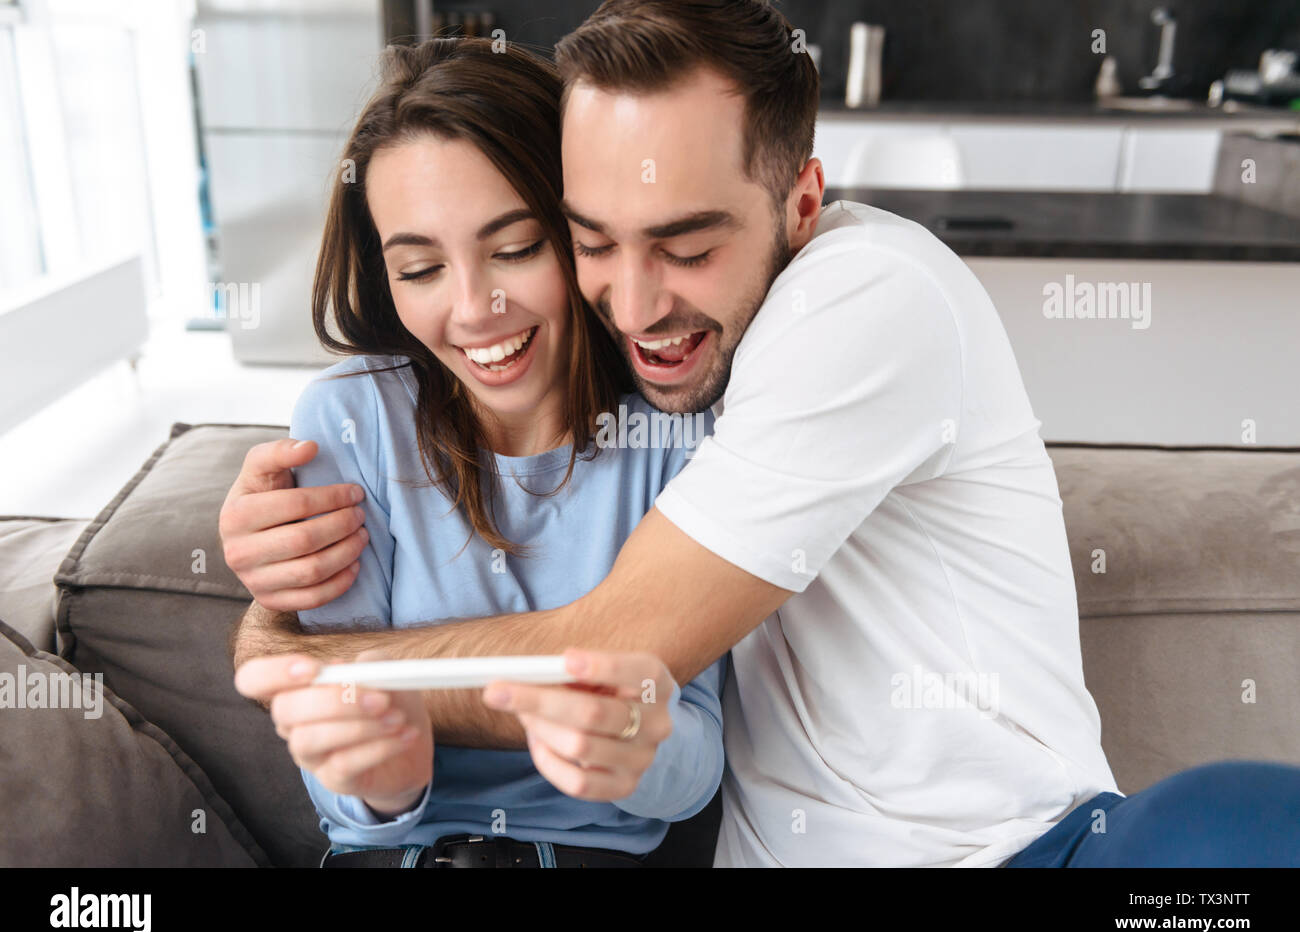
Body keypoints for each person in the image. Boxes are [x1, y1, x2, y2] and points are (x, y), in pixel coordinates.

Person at [228, 0, 1300, 867]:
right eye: (595, 241)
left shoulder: (860, 297)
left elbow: (617, 659)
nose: (636, 306)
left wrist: (283, 653)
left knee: (1230, 831)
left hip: (1025, 849)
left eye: (686, 245)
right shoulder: (656, 394)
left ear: (799, 204)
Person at [228, 35, 725, 868]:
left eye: (516, 248)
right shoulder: (350, 422)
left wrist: (638, 743)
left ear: (584, 231)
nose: (473, 308)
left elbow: (697, 765)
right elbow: (336, 760)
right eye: (419, 266)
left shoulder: (679, 433)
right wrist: (383, 773)